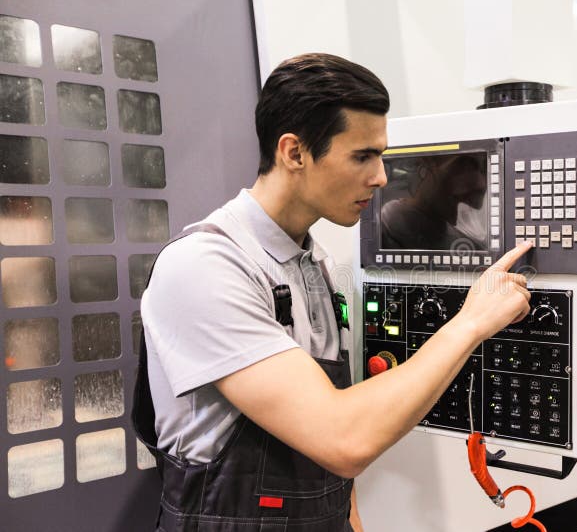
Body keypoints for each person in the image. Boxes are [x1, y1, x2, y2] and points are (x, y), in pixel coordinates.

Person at [134, 53, 533, 532]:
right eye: (362, 156)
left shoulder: (316, 265)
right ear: (294, 153)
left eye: (380, 155)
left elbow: (333, 441)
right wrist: (471, 323)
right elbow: (343, 439)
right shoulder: (205, 267)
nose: (381, 176)